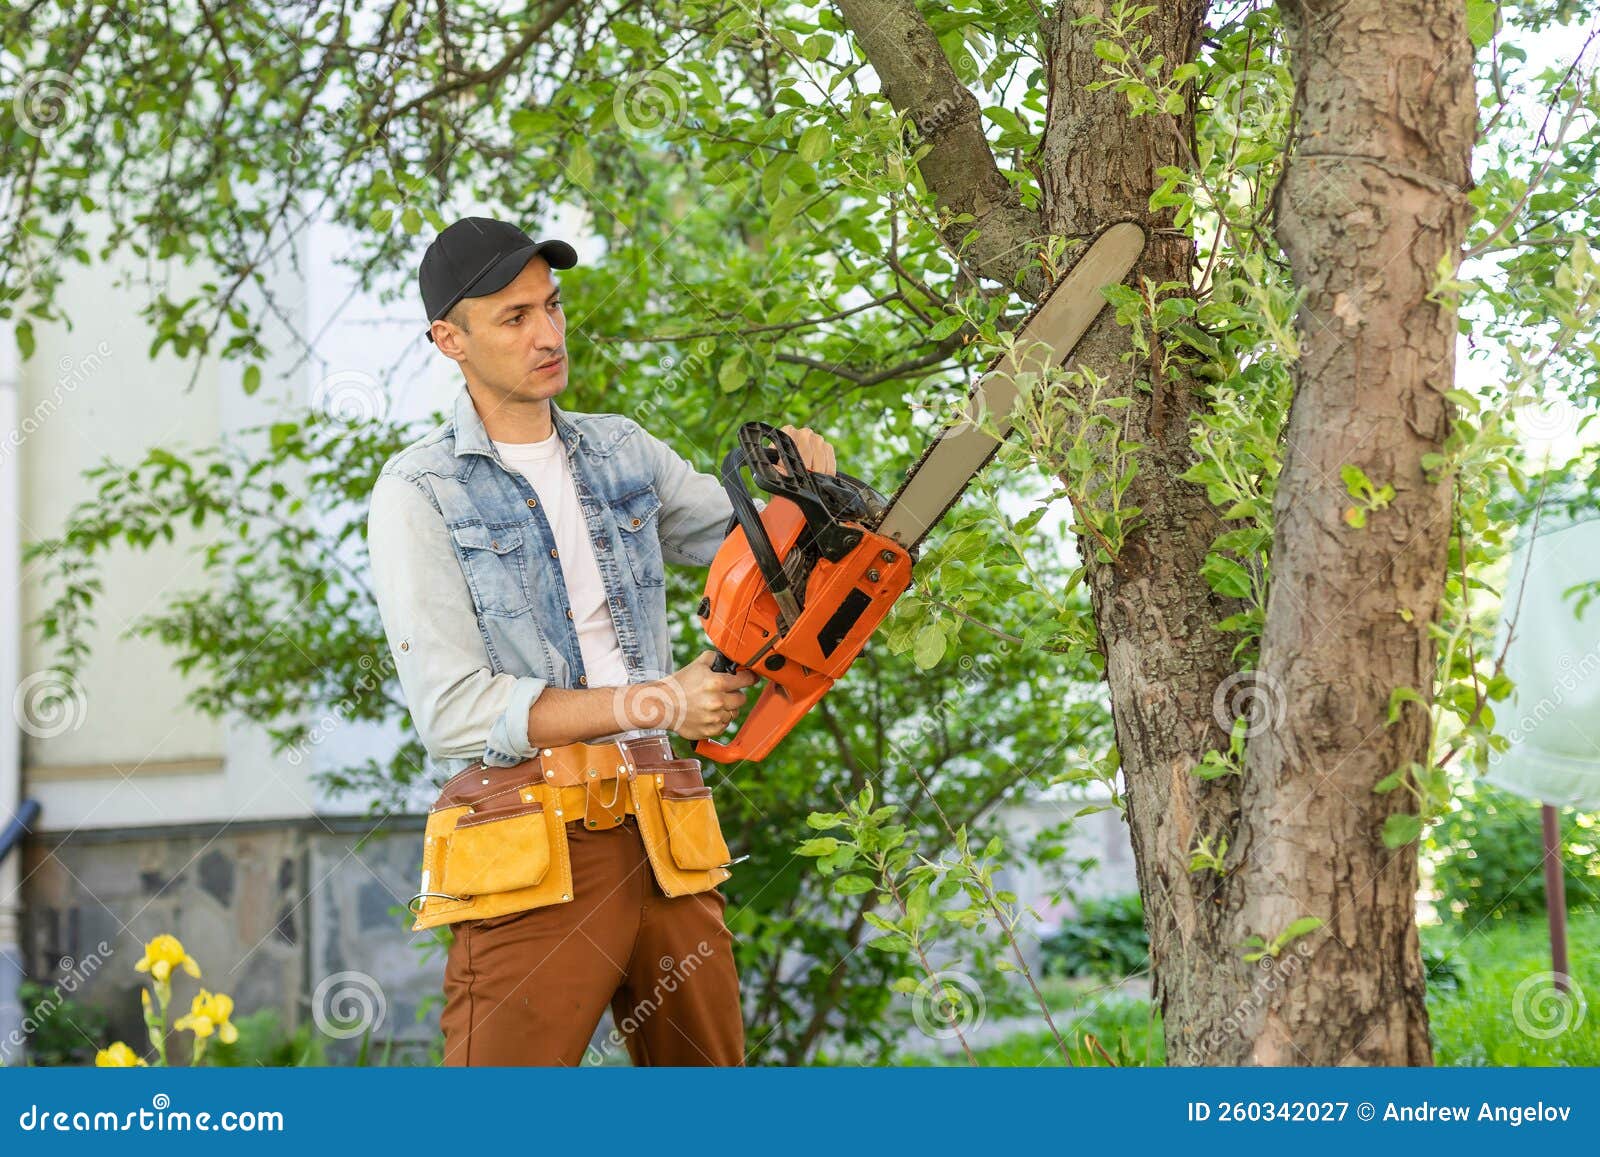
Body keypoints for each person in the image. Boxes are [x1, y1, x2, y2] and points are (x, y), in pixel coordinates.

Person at [366, 216, 837, 1065]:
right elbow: (455, 711)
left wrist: (809, 502)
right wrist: (658, 700)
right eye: (514, 318)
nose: (548, 335)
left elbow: (751, 551)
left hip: (665, 827)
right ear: (450, 340)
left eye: (552, 306)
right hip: (531, 836)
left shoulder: (622, 450)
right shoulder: (418, 492)